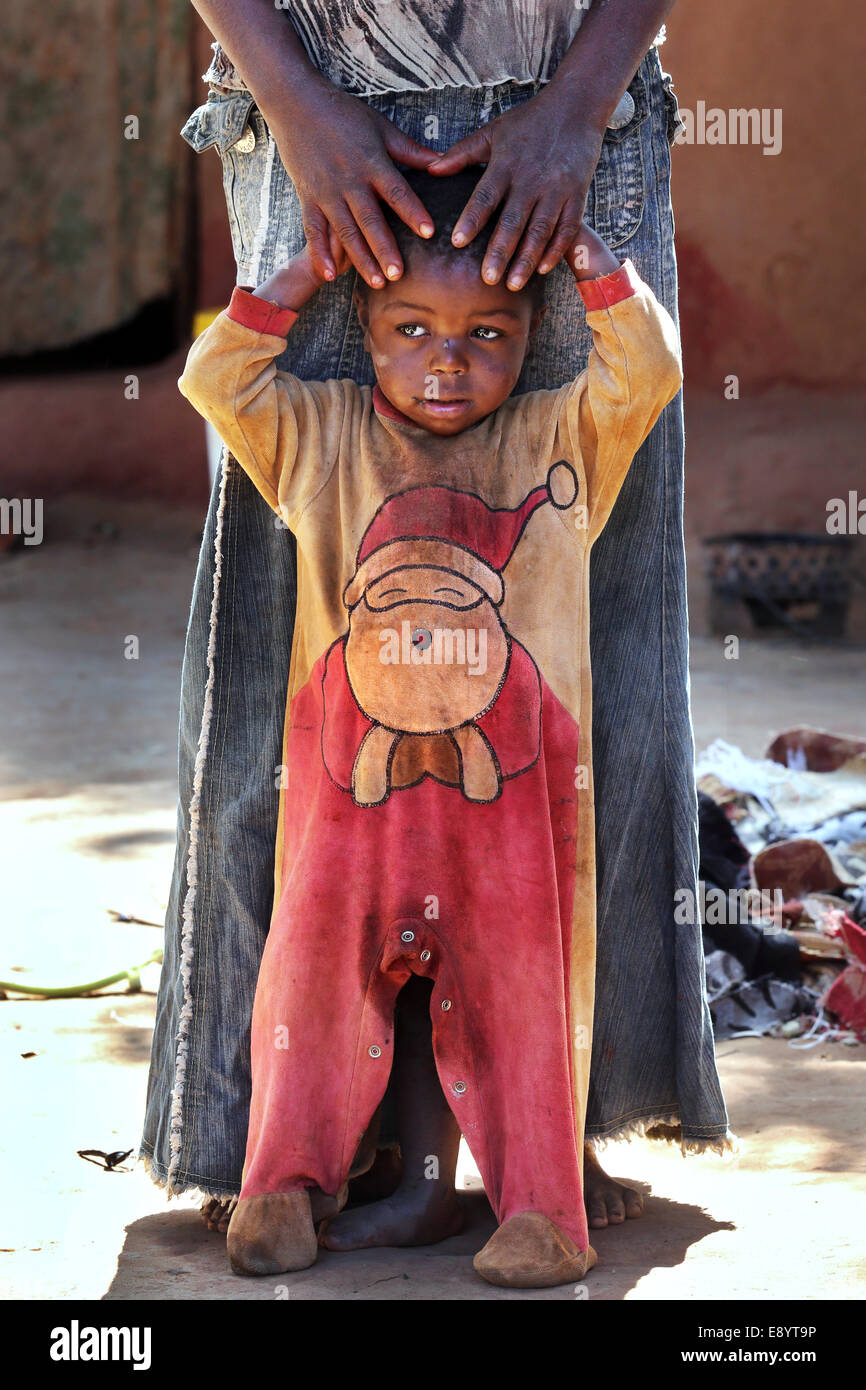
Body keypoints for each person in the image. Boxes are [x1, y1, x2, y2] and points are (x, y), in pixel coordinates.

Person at [140, 0, 732, 1244]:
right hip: (314, 118)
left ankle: (550, 1138)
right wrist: (293, 100)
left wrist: (577, 107)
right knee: (278, 694)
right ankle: (297, 1147)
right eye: (410, 334)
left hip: (572, 116)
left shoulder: (548, 381)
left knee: (580, 704)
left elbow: (644, 371)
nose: (444, 358)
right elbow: (227, 384)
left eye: (475, 341)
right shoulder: (325, 412)